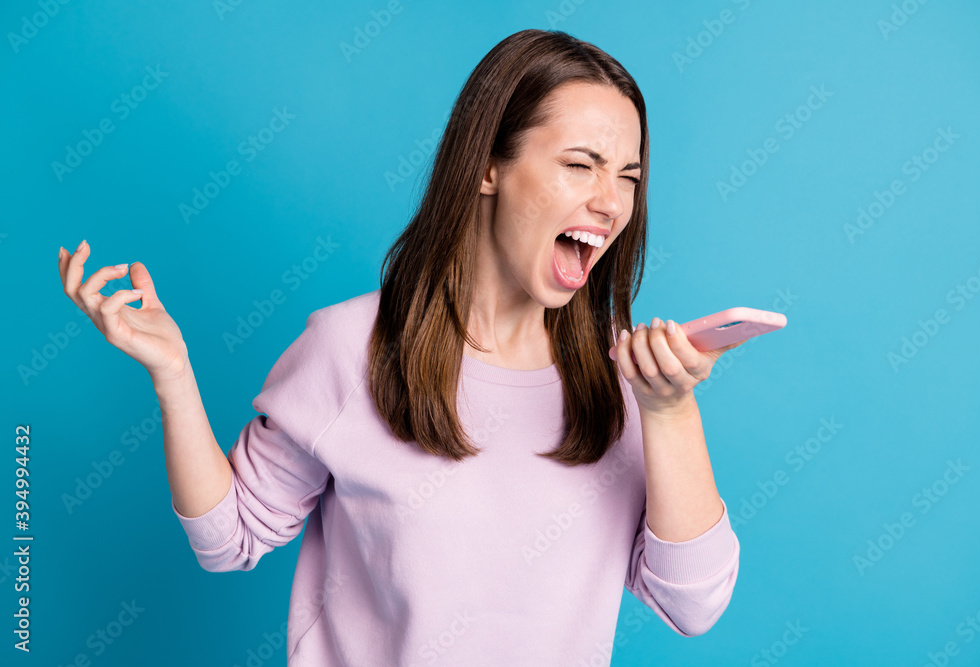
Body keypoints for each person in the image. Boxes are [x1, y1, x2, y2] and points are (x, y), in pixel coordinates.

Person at [57, 28, 744, 666]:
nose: (611, 202)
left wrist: (671, 410)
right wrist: (174, 377)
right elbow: (229, 538)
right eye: (581, 164)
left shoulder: (626, 381)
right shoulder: (349, 347)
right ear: (486, 168)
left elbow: (692, 604)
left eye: (627, 174)